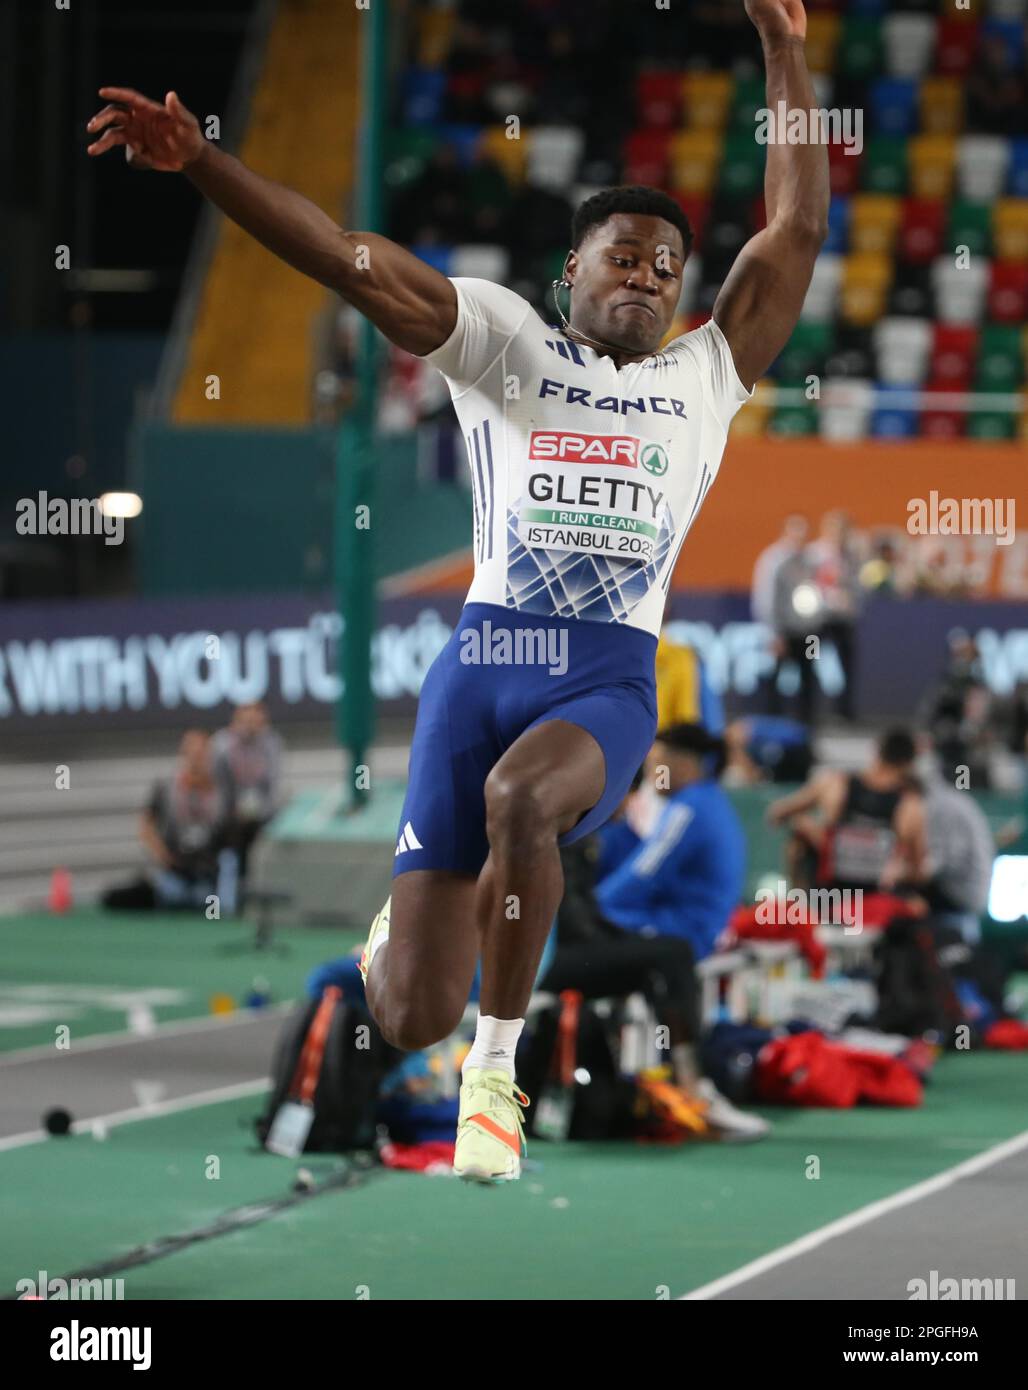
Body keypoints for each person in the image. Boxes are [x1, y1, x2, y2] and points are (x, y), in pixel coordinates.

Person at [87, 0, 828, 1183]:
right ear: (567, 270)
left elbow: (791, 226)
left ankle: (494, 1073)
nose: (644, 274)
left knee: (522, 804)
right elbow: (340, 253)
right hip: (478, 670)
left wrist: (783, 48)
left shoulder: (708, 371)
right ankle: (417, 965)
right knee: (403, 1010)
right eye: (620, 256)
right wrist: (204, 165)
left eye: (665, 265)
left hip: (603, 677)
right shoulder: (500, 343)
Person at [767, 728, 927, 897]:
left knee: (800, 833)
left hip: (831, 893)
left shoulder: (835, 784)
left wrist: (805, 824)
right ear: (909, 764)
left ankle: (798, 908)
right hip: (875, 895)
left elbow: (777, 812)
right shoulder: (910, 806)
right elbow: (918, 872)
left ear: (877, 752)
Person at [103, 730, 234, 913]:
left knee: (208, 900)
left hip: (208, 871)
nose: (197, 758)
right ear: (183, 754)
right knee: (174, 897)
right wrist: (162, 856)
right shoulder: (166, 787)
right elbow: (145, 826)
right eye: (192, 752)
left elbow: (229, 834)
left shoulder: (221, 791)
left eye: (202, 753)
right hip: (176, 868)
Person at [211, 701, 284, 895]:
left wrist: (262, 812)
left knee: (263, 853)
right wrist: (230, 811)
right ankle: (226, 906)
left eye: (256, 720)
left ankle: (260, 899)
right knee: (230, 857)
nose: (251, 725)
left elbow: (272, 784)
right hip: (231, 819)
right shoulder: (222, 744)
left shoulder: (271, 743)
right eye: (246, 720)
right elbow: (218, 784)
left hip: (261, 817)